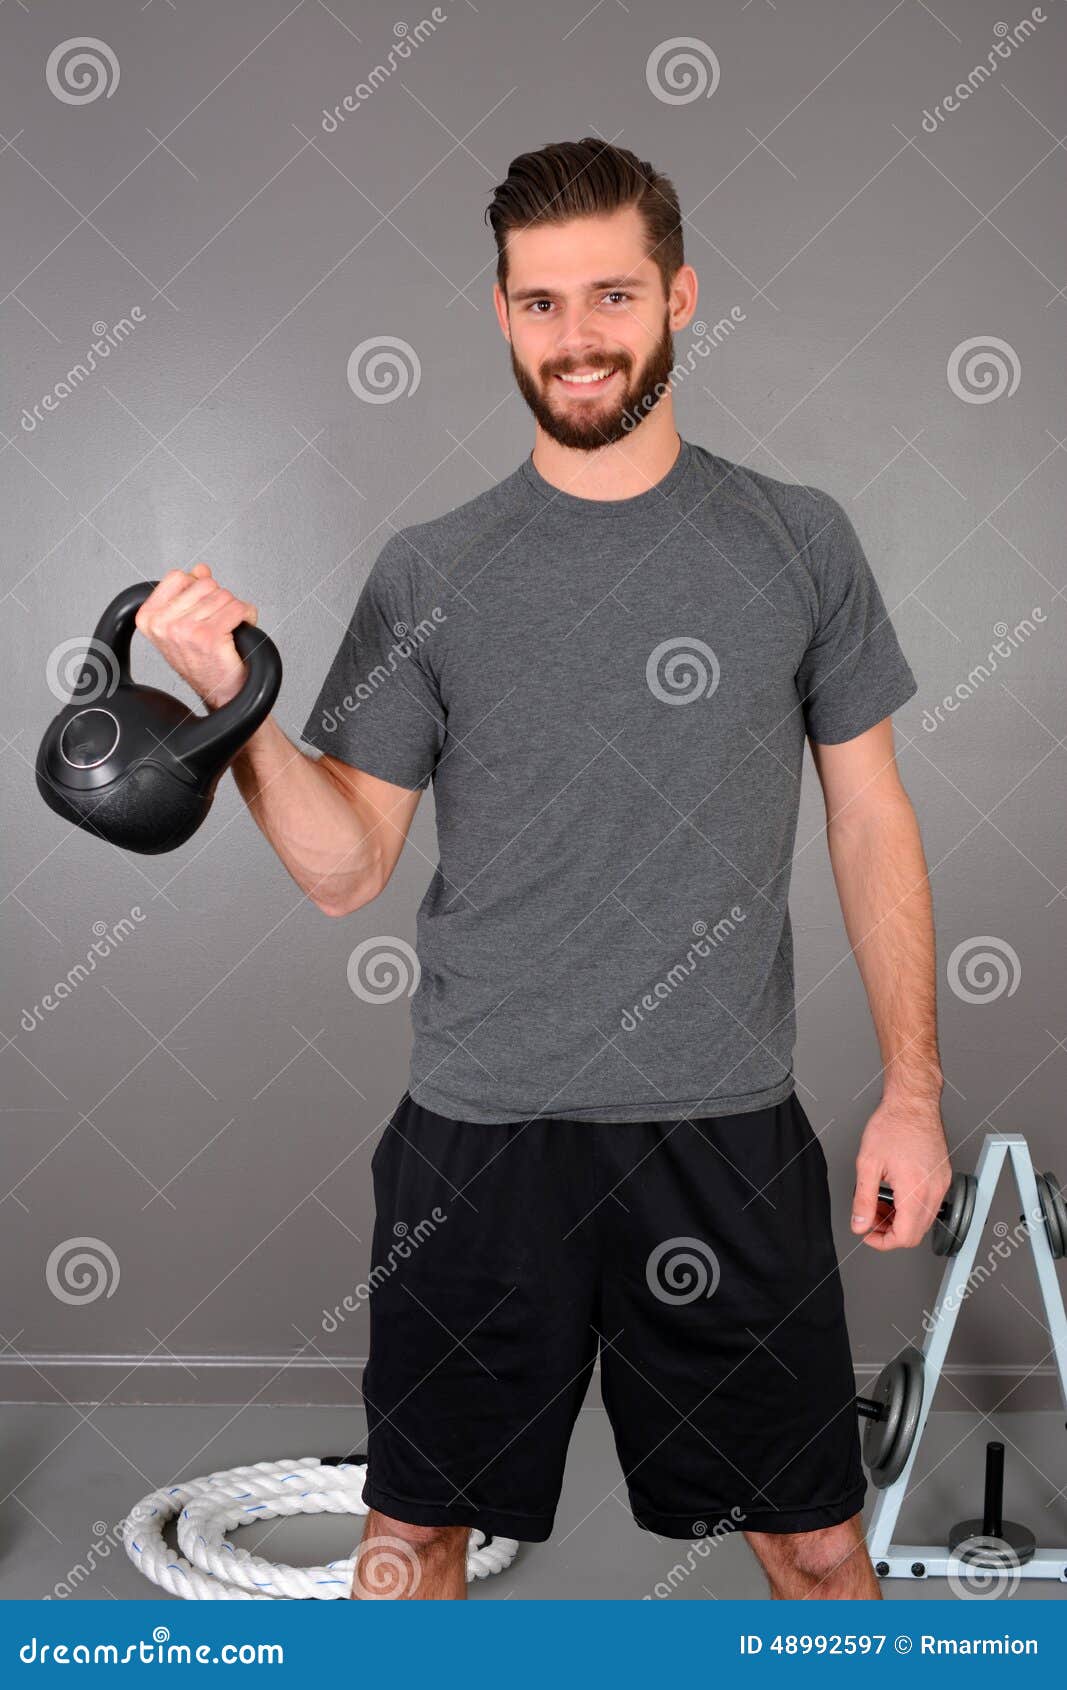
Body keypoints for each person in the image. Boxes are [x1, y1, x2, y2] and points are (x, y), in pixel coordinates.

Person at [134, 138, 950, 1601]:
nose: (577, 337)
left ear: (681, 296)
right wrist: (231, 711)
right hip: (479, 1140)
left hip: (722, 1131)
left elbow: (872, 818)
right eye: (539, 303)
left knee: (823, 1553)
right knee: (412, 1545)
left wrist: (911, 1090)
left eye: (612, 295)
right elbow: (344, 870)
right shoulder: (431, 570)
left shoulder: (796, 540)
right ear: (501, 315)